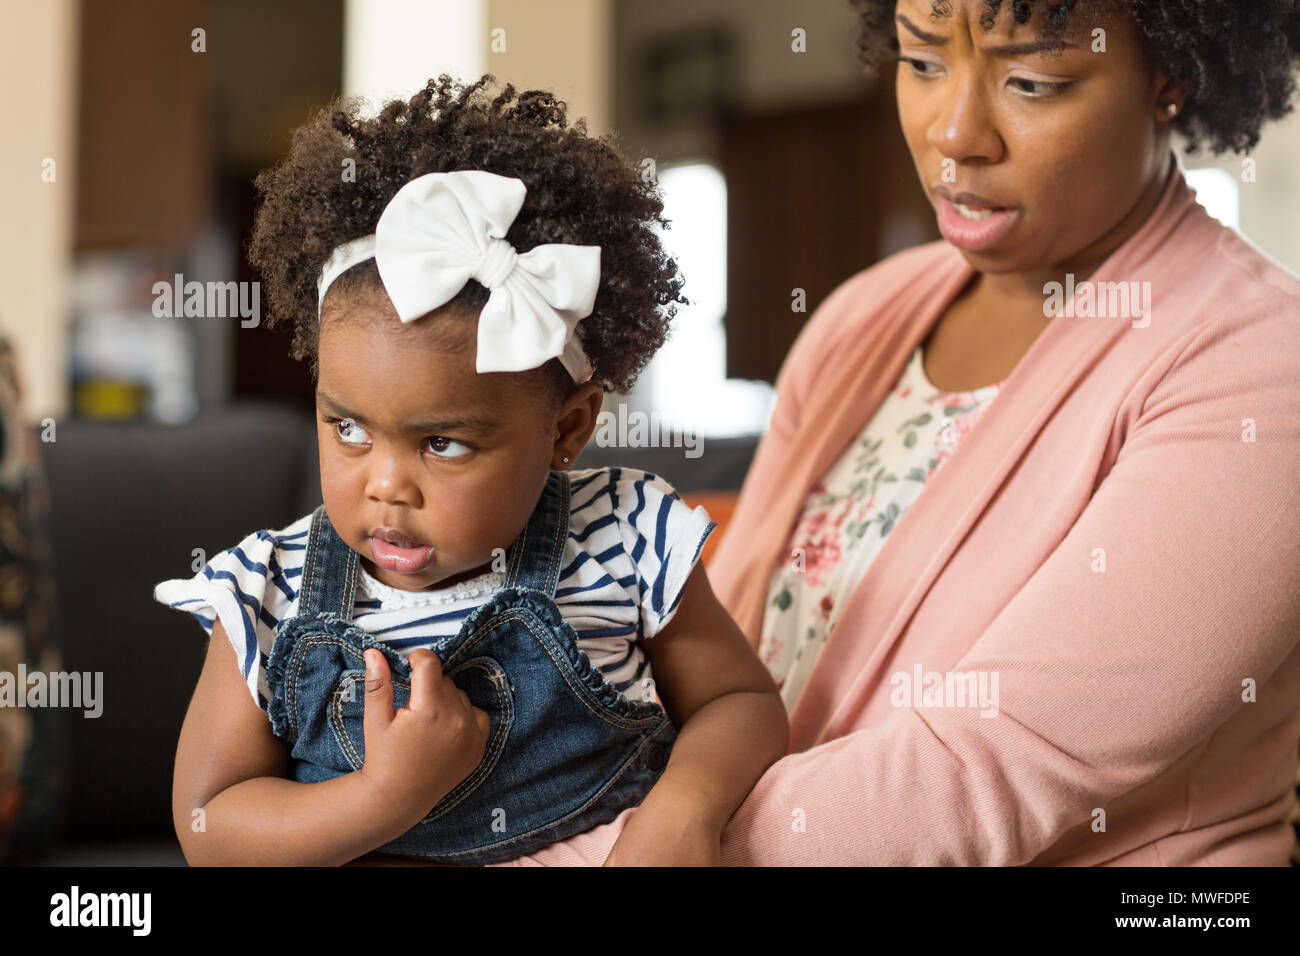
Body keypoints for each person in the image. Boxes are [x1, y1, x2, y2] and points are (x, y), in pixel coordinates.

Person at [490, 0, 1300, 866]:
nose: (956, 134)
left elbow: (983, 771)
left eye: (1033, 81)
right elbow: (713, 668)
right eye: (921, 61)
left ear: (1171, 75)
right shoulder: (862, 318)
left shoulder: (1260, 367)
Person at [154, 75, 788, 866]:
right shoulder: (266, 592)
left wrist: (684, 812)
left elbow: (741, 701)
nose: (386, 484)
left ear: (569, 428)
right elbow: (210, 826)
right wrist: (384, 799)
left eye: (443, 444)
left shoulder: (624, 539)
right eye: (347, 428)